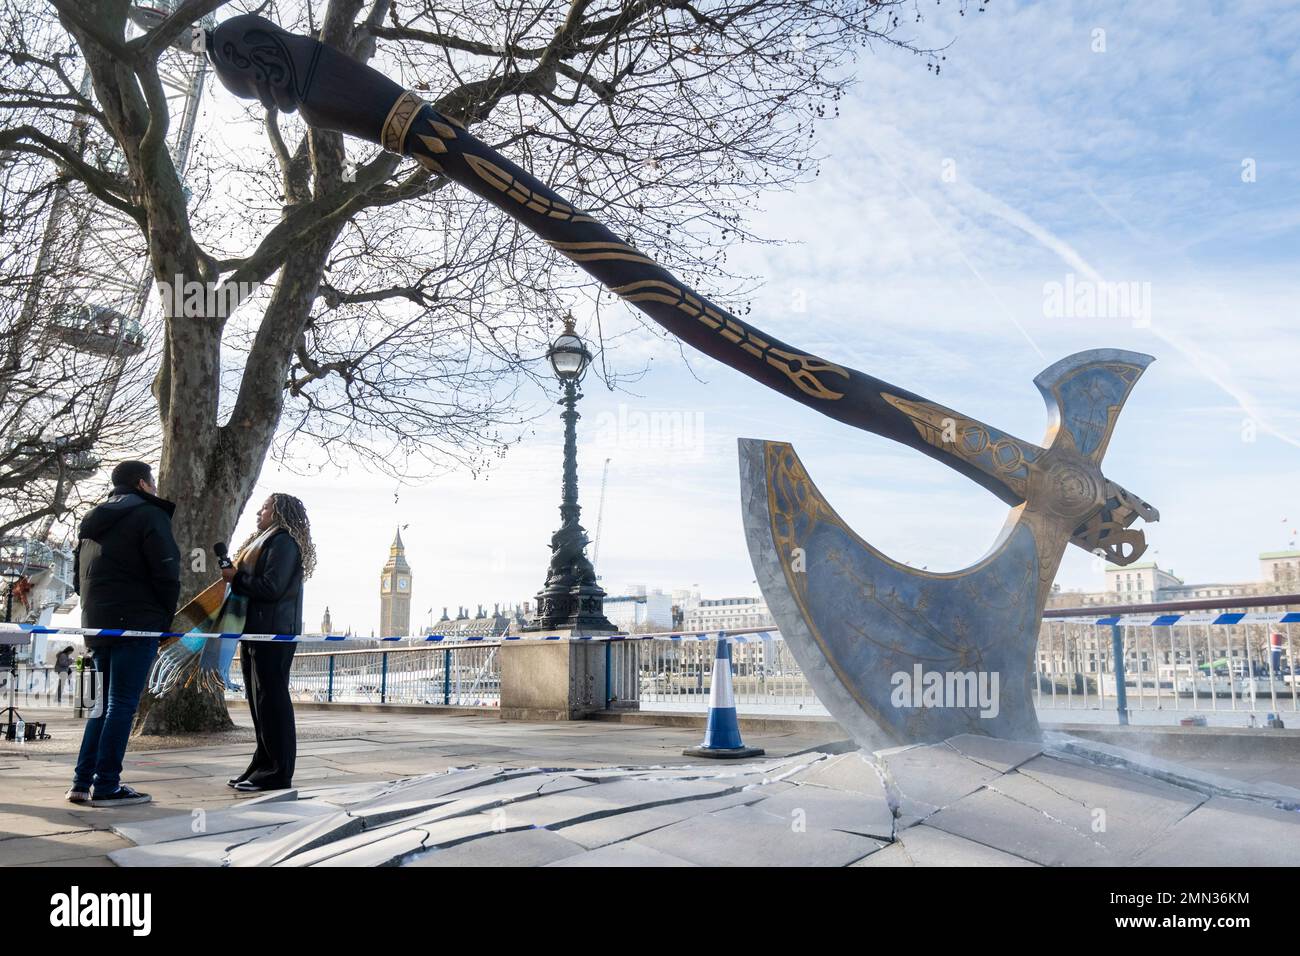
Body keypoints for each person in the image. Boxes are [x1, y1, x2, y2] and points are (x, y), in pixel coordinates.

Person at [69, 461, 180, 807]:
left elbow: (77, 579)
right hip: (137, 622)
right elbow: (167, 572)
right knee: (121, 705)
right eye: (153, 482)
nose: (156, 489)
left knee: (101, 706)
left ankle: (81, 782)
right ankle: (106, 785)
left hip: (98, 623)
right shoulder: (150, 515)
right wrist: (164, 621)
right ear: (141, 484)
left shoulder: (91, 522)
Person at [224, 493, 314, 793]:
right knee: (258, 704)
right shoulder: (265, 541)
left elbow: (272, 588)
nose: (258, 512)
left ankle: (277, 773)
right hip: (255, 631)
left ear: (279, 512)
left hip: (274, 633)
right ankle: (261, 766)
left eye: (264, 507)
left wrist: (236, 578)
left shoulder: (283, 542)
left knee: (272, 704)